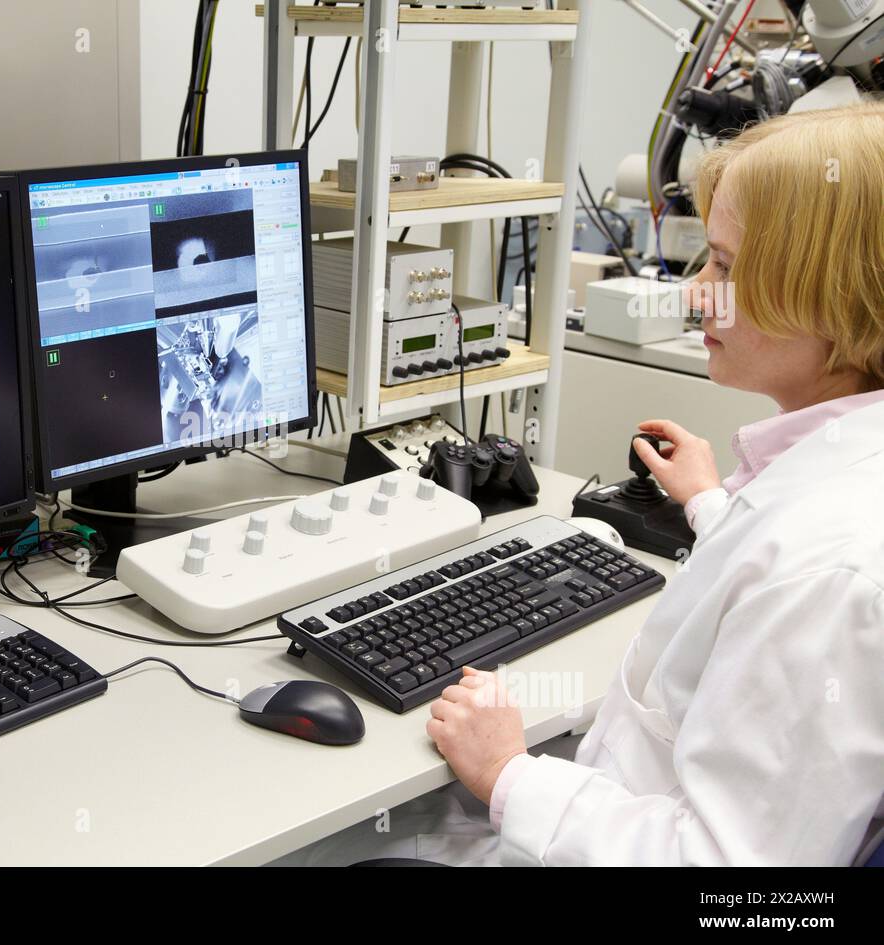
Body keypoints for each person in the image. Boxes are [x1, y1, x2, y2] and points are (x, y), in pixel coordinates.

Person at [276, 101, 884, 867]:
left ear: (835, 291)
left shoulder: (827, 574)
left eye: (725, 266)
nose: (698, 293)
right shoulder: (841, 487)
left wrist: (510, 774)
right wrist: (712, 509)